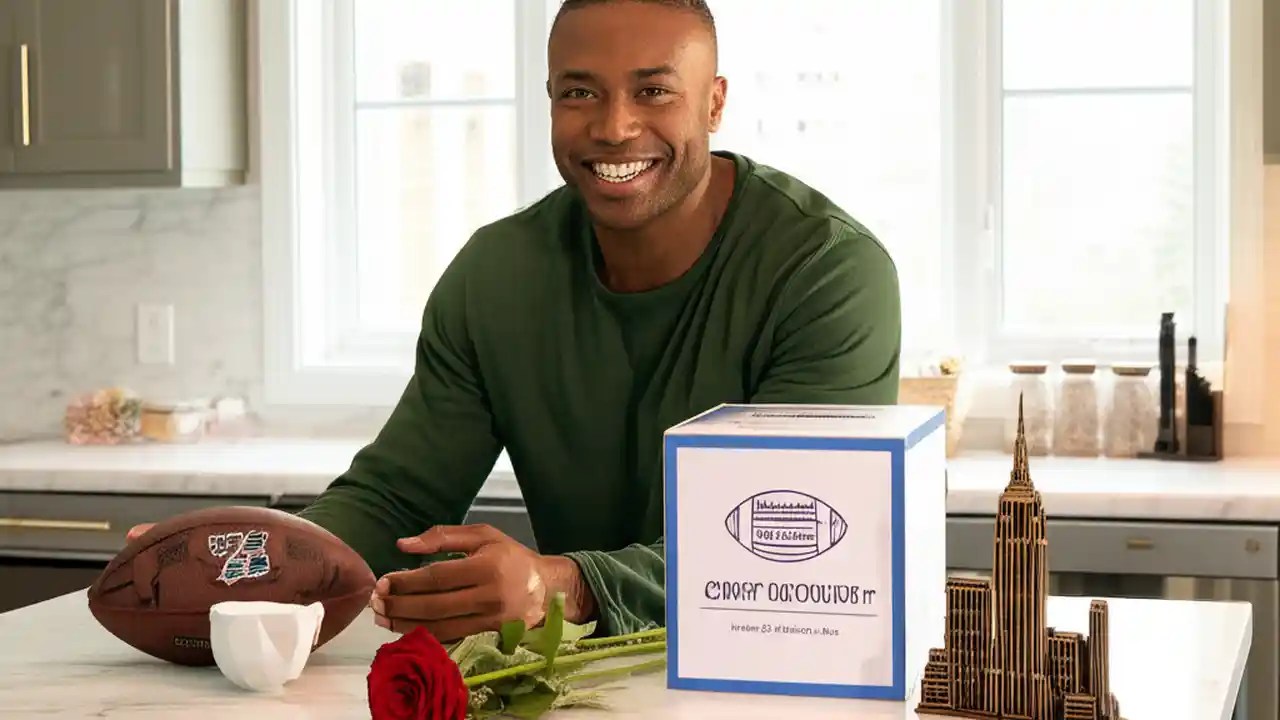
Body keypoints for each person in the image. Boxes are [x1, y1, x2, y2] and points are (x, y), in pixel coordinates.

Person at [127, 0, 902, 641]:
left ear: (715, 101)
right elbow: (398, 498)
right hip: (577, 682)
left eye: (654, 91)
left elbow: (792, 548)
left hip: (774, 676)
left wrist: (561, 585)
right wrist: (251, 556)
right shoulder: (496, 275)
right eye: (580, 92)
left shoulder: (826, 274)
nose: (614, 127)